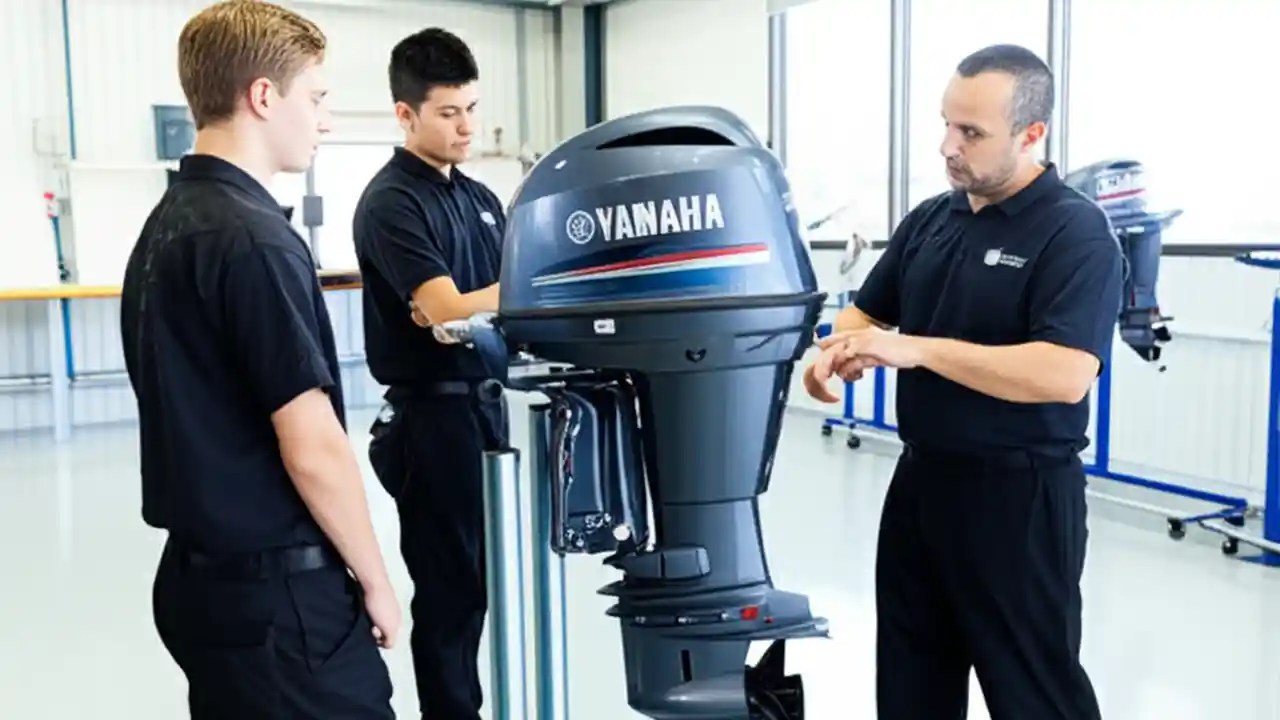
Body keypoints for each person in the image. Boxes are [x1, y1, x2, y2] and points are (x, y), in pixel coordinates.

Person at [805, 44, 1119, 720]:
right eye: (946, 124)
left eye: (971, 132)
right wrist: (837, 349)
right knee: (912, 681)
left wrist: (912, 349)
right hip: (921, 487)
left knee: (1033, 694)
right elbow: (866, 309)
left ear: (1031, 134)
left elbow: (1064, 374)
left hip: (1018, 498)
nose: (948, 146)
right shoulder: (931, 219)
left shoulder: (1075, 233)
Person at [119, 2, 400, 717]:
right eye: (317, 98)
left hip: (201, 584)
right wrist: (375, 579)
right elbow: (312, 446)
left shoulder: (165, 228)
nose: (326, 121)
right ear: (264, 96)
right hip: (280, 602)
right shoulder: (254, 241)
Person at [351, 27, 508, 720]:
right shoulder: (391, 203)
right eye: (449, 112)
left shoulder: (479, 197)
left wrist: (502, 297)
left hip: (493, 405)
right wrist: (526, 288)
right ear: (406, 113)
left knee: (491, 582)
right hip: (431, 419)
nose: (466, 125)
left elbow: (481, 307)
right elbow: (444, 307)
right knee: (450, 592)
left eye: (471, 108)